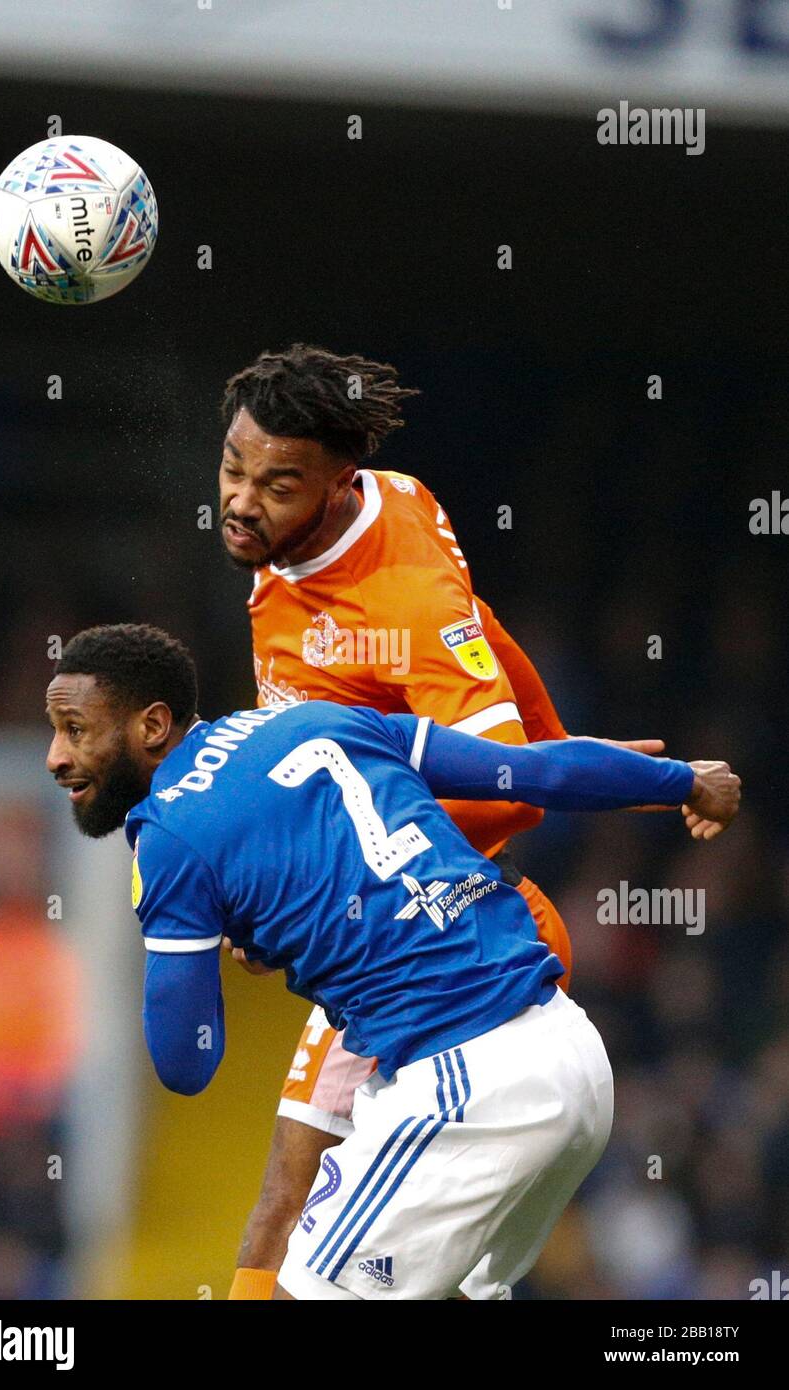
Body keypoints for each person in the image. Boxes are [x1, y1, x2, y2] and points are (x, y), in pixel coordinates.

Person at [45, 622, 740, 1300]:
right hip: (573, 1056)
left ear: (152, 725)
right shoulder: (319, 720)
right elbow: (532, 770)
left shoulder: (168, 834)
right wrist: (682, 780)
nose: (55, 755)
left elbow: (185, 1064)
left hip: (467, 1083)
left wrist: (196, 932)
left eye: (75, 729)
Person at [216, 343, 709, 1298]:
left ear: (335, 483)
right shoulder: (364, 508)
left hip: (422, 940)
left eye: (277, 485)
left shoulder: (400, 600)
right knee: (299, 1204)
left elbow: (507, 787)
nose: (242, 500)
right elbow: (493, 631)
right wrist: (578, 742)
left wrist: (322, 890)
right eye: (235, 468)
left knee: (294, 1204)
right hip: (401, 948)